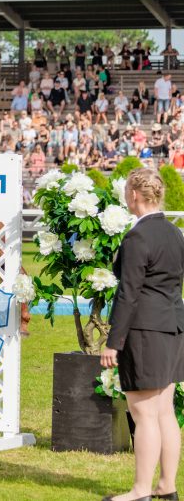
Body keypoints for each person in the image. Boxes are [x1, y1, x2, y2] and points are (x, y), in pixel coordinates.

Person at [100, 169, 184, 501]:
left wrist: (113, 342)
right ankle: (167, 486)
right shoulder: (176, 234)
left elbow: (128, 294)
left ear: (134, 195)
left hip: (145, 331)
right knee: (164, 412)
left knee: (144, 413)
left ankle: (140, 491)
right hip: (173, 328)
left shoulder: (137, 237)